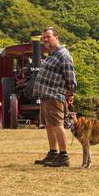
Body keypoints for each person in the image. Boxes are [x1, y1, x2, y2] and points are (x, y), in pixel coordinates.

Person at [33, 26, 76, 167]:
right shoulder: (52, 55)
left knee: (57, 125)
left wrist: (71, 93)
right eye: (43, 37)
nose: (45, 40)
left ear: (56, 37)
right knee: (49, 125)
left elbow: (70, 76)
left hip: (55, 95)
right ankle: (53, 153)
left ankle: (64, 156)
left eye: (48, 37)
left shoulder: (63, 54)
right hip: (46, 96)